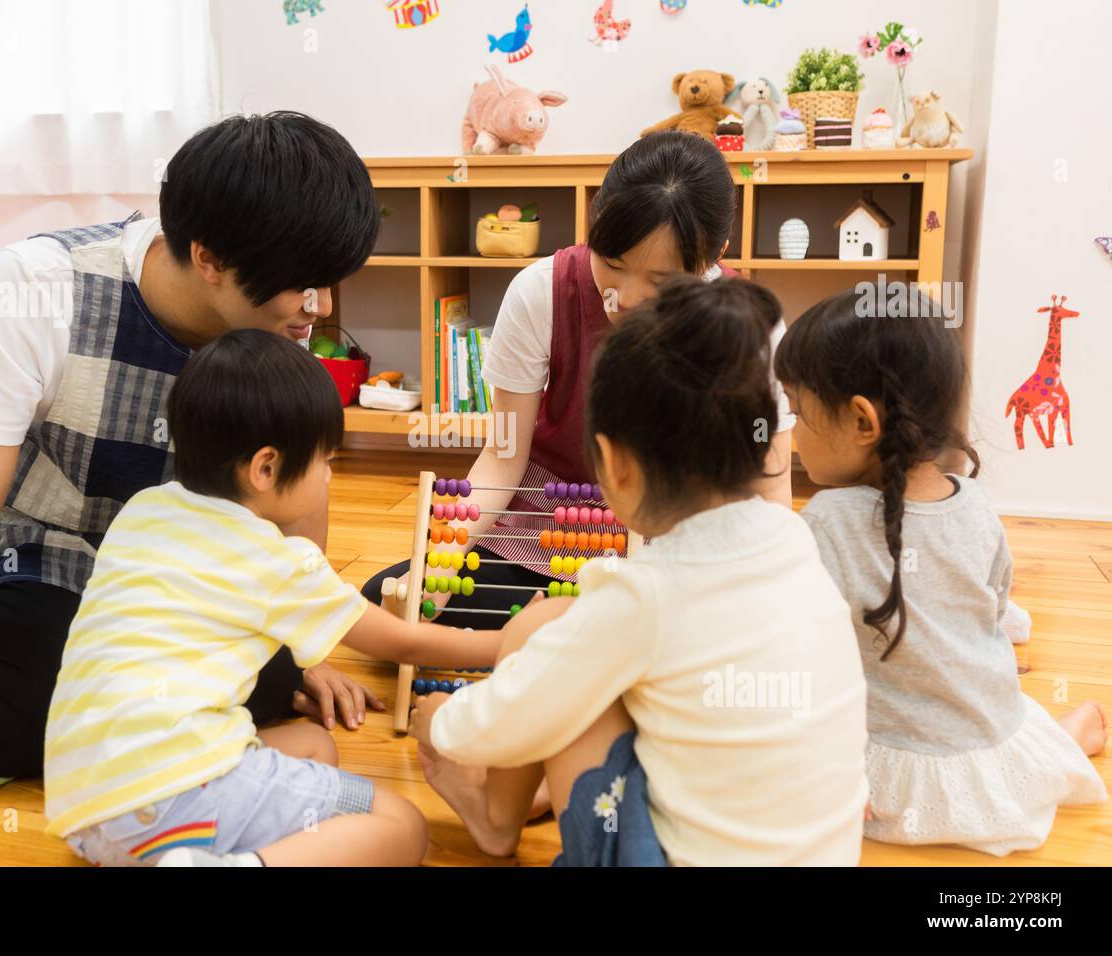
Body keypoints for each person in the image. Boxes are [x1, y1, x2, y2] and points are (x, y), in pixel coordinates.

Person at [0, 112, 384, 853]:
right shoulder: (40, 288)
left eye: (327, 283)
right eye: (303, 286)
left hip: (189, 567)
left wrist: (310, 644)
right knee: (14, 723)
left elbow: (300, 485)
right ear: (209, 257)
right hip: (56, 550)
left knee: (272, 689)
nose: (322, 307)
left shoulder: (282, 324)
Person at [409, 277, 868, 866]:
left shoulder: (645, 594)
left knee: (555, 649)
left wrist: (443, 723)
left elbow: (526, 706)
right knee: (561, 630)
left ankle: (499, 816)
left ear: (616, 464)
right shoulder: (796, 544)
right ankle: (499, 818)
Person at [47, 331, 498, 866]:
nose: (329, 474)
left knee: (316, 748)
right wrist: (505, 644)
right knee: (401, 828)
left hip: (86, 804)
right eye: (325, 460)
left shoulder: (143, 510)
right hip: (177, 788)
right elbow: (399, 639)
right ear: (265, 468)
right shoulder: (275, 559)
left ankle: (166, 852)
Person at [361, 132, 794, 627]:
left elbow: (770, 479)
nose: (627, 297)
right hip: (551, 535)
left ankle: (584, 643)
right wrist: (436, 565)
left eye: (662, 281)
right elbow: (503, 455)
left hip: (679, 545)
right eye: (612, 264)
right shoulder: (541, 291)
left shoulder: (750, 327)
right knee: (390, 599)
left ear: (715, 254)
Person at [777, 289, 1107, 856]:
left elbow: (795, 651)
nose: (793, 431)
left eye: (797, 410)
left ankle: (1068, 736)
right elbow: (996, 608)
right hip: (988, 745)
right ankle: (1067, 738)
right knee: (1021, 751)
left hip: (891, 774)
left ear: (862, 421)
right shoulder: (977, 505)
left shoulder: (827, 519)